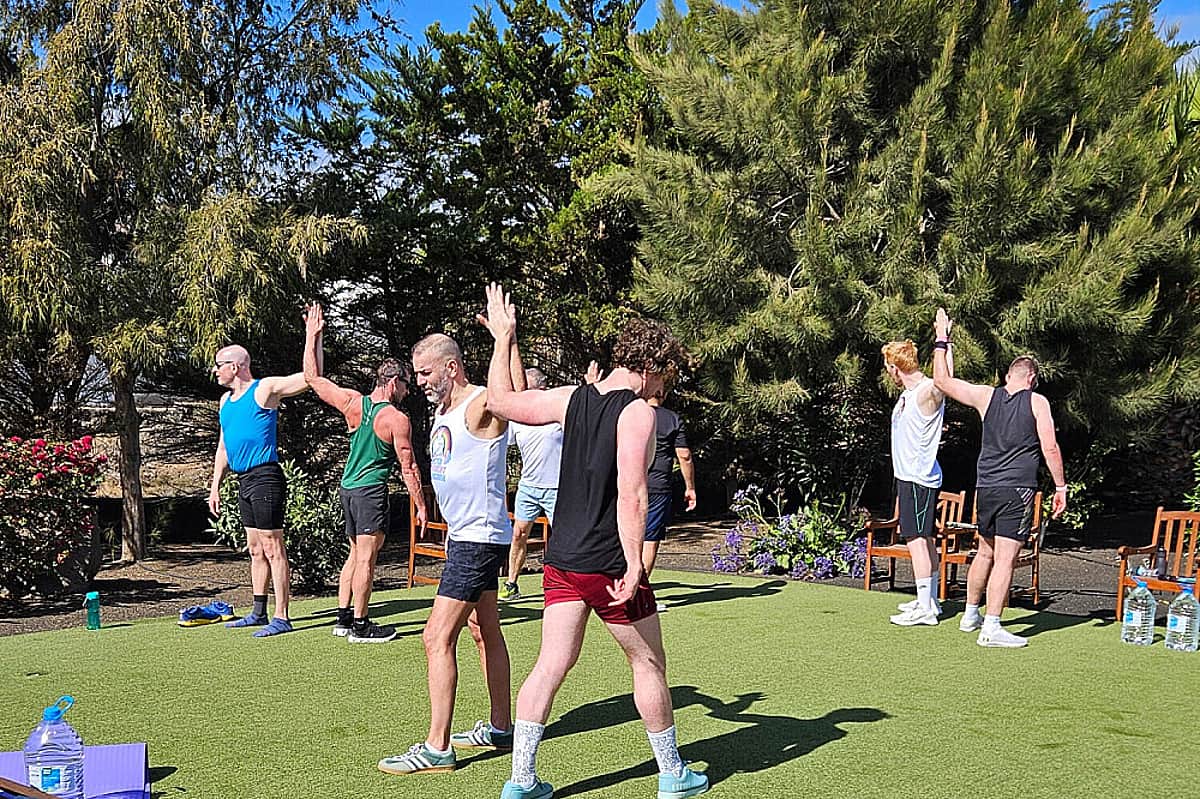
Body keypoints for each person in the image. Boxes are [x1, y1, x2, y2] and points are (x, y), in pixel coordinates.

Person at [478, 283, 709, 799]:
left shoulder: (572, 398)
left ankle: (520, 781)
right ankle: (673, 775)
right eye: (665, 374)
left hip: (563, 558)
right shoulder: (638, 412)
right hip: (607, 562)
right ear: (649, 365)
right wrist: (634, 565)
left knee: (550, 665)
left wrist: (503, 337)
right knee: (648, 662)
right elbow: (632, 494)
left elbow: (499, 401)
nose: (663, 386)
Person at [377, 328, 524, 774]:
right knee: (484, 630)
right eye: (416, 373)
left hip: (479, 539)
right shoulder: (444, 411)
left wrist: (505, 338)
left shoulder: (480, 402)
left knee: (436, 637)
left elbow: (507, 396)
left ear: (451, 367)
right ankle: (501, 727)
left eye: (425, 372)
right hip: (465, 535)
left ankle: (437, 747)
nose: (418, 380)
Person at [931, 308, 1067, 648]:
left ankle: (970, 615)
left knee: (985, 552)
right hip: (1017, 489)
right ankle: (992, 627)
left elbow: (943, 382)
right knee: (1005, 558)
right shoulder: (1037, 402)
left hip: (986, 487)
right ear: (1031, 379)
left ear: (1008, 376)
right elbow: (1050, 447)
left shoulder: (986, 396)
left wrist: (942, 338)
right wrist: (1061, 487)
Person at [302, 302, 428, 643]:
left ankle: (343, 618)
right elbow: (409, 466)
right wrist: (421, 505)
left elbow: (313, 379)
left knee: (355, 555)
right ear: (393, 381)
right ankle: (360, 625)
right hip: (370, 491)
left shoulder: (352, 403)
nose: (407, 390)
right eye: (405, 384)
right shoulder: (396, 419)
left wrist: (312, 336)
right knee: (367, 560)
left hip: (348, 489)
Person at [208, 343, 308, 637]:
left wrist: (312, 338)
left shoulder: (263, 390)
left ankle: (282, 616)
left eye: (219, 364)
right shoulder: (225, 402)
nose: (215, 371)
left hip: (265, 476)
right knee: (255, 549)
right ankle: (258, 611)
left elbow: (308, 378)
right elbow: (223, 447)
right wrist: (215, 486)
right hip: (243, 480)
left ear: (235, 366)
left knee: (272, 546)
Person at [881, 337, 952, 627]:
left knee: (917, 540)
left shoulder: (925, 392)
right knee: (924, 539)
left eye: (888, 366)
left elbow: (944, 381)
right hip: (908, 477)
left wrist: (943, 342)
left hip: (919, 478)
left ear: (896, 368)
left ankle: (925, 609)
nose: (887, 372)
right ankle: (929, 600)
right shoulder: (908, 395)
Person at [500, 367, 562, 602]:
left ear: (541, 389)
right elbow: (500, 442)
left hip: (557, 488)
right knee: (518, 534)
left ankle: (561, 582)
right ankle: (511, 583)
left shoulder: (557, 414)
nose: (521, 392)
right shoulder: (520, 418)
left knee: (561, 538)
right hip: (528, 488)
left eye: (525, 387)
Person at [643, 391, 696, 612]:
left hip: (626, 486)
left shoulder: (626, 414)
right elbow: (684, 455)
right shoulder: (672, 419)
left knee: (625, 536)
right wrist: (690, 487)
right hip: (657, 487)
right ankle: (639, 596)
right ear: (662, 394)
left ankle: (619, 590)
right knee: (649, 539)